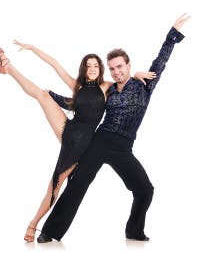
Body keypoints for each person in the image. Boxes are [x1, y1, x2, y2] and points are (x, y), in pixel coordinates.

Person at [37, 14, 190, 243]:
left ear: (129, 65)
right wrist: (51, 97)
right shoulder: (108, 90)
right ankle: (50, 232)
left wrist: (173, 34)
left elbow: (161, 60)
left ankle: (134, 231)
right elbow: (81, 101)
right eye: (111, 68)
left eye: (120, 67)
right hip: (100, 141)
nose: (116, 72)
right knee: (77, 183)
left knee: (145, 190)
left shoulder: (144, 84)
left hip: (123, 148)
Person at [0, 42, 154, 242]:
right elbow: (56, 65)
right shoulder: (76, 86)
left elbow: (124, 80)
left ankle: (34, 225)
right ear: (84, 68)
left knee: (56, 186)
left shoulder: (107, 87)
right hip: (69, 131)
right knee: (42, 95)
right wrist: (33, 48)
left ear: (102, 68)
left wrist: (137, 73)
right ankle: (9, 68)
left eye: (96, 66)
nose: (93, 69)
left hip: (86, 143)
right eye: (89, 66)